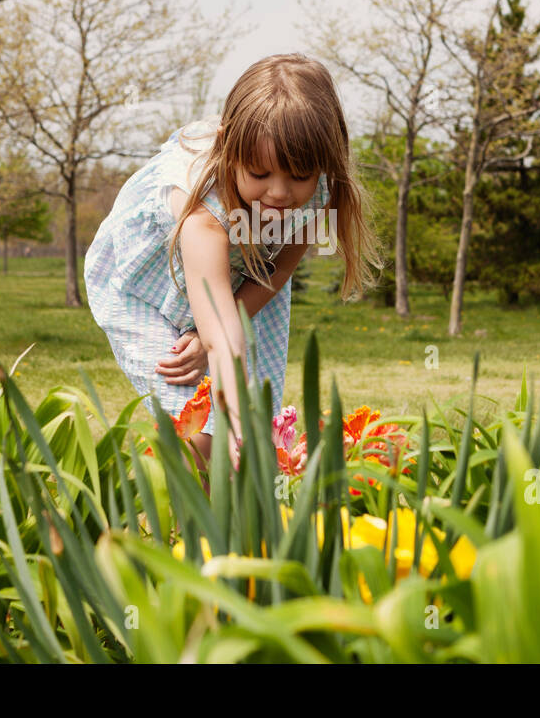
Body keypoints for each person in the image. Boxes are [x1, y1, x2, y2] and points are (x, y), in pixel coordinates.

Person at [83, 53, 383, 471]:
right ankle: (193, 531)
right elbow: (223, 341)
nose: (279, 193)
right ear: (228, 148)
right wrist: (230, 415)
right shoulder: (201, 205)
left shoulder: (317, 191)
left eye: (298, 176)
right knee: (202, 429)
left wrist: (231, 386)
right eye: (260, 173)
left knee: (258, 430)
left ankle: (239, 527)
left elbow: (277, 268)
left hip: (247, 282)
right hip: (142, 287)